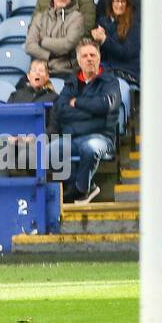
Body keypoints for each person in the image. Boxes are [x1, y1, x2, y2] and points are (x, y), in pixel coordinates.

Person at [52, 38, 119, 204]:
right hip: (73, 136)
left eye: (93, 55)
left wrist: (78, 103)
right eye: (85, 56)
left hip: (101, 136)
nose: (89, 58)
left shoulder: (110, 81)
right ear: (79, 60)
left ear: (99, 58)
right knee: (49, 151)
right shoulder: (72, 82)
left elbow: (105, 105)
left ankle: (81, 191)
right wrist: (90, 112)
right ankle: (81, 186)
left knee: (89, 148)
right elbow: (60, 108)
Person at [25, 0, 84, 78]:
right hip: (41, 71)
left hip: (66, 71)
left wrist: (42, 41)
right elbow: (29, 46)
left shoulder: (77, 17)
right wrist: (50, 55)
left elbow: (67, 45)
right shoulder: (40, 17)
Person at [92, 0, 139, 82]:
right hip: (105, 69)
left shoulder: (134, 24)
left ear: (128, 4)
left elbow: (126, 53)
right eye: (117, 1)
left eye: (123, 1)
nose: (120, 5)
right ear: (111, 3)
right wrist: (94, 39)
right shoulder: (103, 22)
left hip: (126, 71)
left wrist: (104, 40)